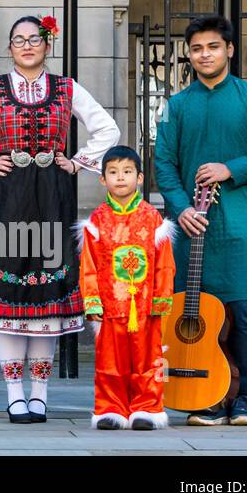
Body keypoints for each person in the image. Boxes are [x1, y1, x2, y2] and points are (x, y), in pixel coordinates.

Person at [0, 14, 120, 424]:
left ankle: (40, 393)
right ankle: (14, 393)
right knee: (8, 290)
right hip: (6, 197)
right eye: (18, 39)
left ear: (46, 45)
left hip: (53, 196)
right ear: (10, 48)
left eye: (34, 38)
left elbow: (107, 128)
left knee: (47, 294)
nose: (27, 45)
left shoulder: (66, 88)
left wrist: (78, 162)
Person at [154, 14, 247, 427]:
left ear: (229, 50)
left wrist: (230, 169)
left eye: (212, 46)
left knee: (243, 310)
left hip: (244, 223)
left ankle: (242, 395)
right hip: (193, 230)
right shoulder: (177, 106)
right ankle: (207, 396)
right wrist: (182, 210)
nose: (204, 54)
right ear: (189, 55)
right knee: (196, 313)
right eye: (196, 48)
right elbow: (164, 164)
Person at [78, 145, 176, 430]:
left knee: (148, 359)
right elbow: (89, 265)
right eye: (113, 172)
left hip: (145, 306)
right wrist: (92, 300)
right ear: (102, 179)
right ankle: (110, 408)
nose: (120, 178)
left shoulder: (152, 218)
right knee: (110, 361)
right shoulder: (97, 220)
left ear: (140, 178)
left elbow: (164, 263)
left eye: (127, 172)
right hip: (110, 306)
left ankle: (148, 408)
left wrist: (161, 298)